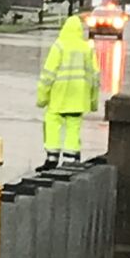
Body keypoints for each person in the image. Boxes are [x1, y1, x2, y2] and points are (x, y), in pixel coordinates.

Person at [36, 11, 101, 171]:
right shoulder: (87, 48)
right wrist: (93, 102)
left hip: (59, 95)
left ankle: (52, 157)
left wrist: (42, 98)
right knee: (74, 125)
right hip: (79, 97)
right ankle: (71, 158)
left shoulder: (59, 46)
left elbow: (47, 75)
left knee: (52, 121)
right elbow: (95, 78)